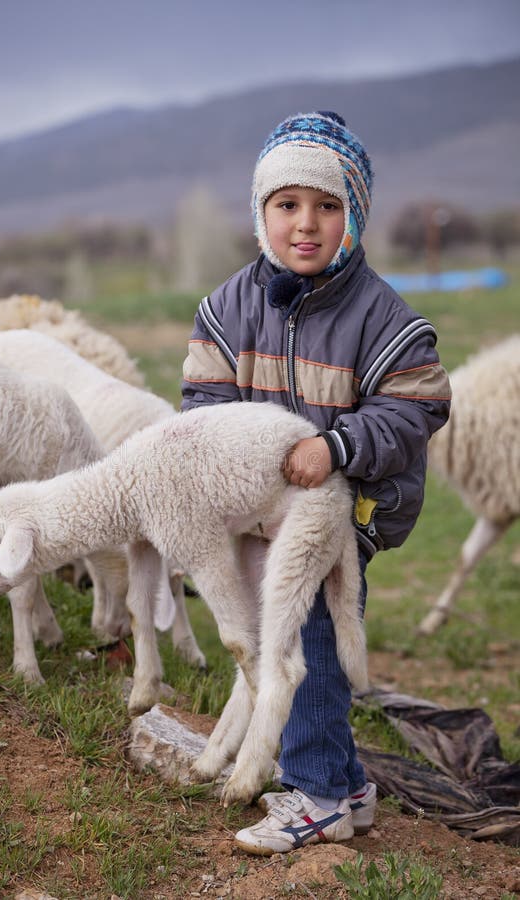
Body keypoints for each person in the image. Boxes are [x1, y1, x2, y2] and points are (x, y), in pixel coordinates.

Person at [180, 111, 451, 856]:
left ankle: (319, 794)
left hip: (349, 504)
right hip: (263, 510)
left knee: (308, 635)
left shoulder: (381, 316)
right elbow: (203, 405)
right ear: (260, 214)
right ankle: (348, 782)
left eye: (328, 207)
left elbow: (419, 404)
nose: (306, 225)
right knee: (297, 635)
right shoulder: (227, 308)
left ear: (354, 218)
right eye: (287, 205)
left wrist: (335, 446)